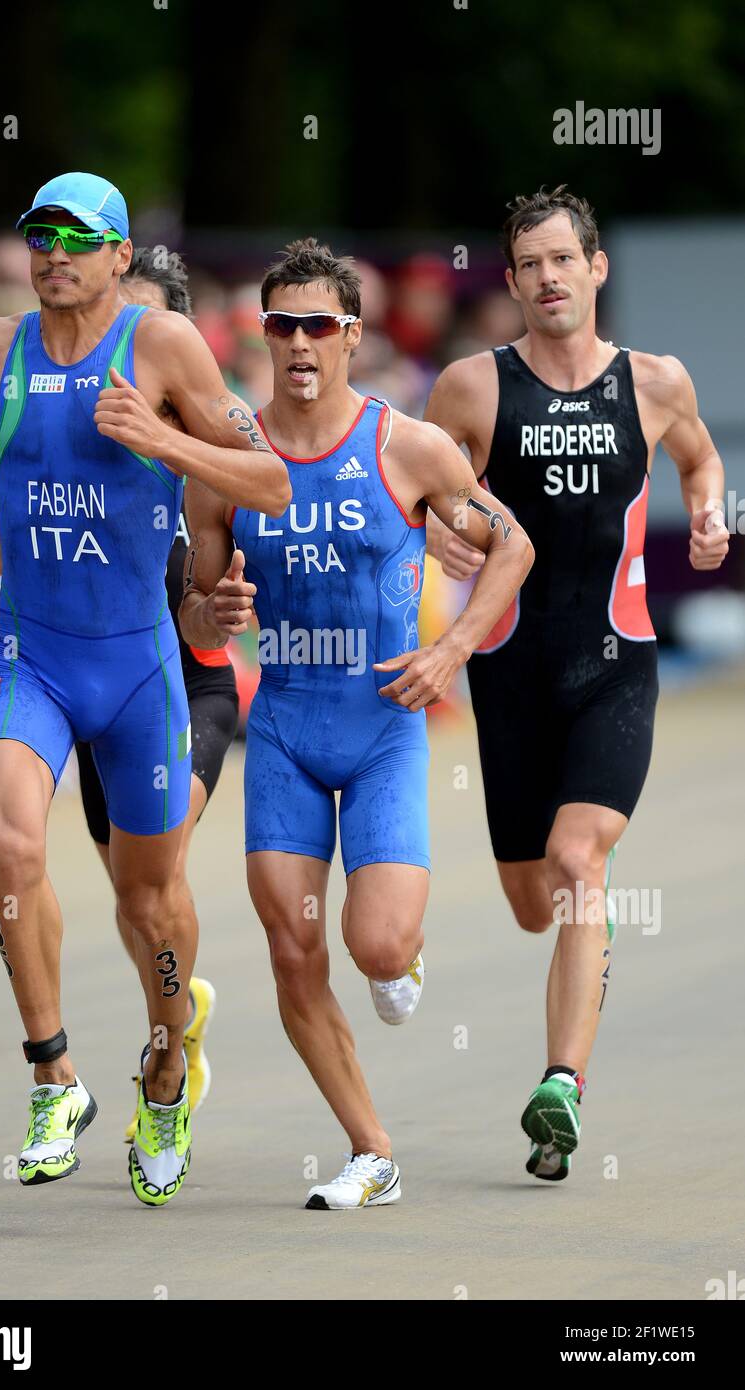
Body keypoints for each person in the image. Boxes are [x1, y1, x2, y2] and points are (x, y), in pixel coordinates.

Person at [0, 172, 289, 1207]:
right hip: (29, 654)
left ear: (121, 255)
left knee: (150, 901)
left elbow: (268, 478)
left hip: (139, 674)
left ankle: (166, 1064)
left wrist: (161, 439)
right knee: (10, 846)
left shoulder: (161, 349)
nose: (54, 251)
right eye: (40, 233)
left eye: (79, 237)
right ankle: (53, 1073)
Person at [180, 238, 532, 1209]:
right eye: (282, 324)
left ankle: (400, 949)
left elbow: (513, 546)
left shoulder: (406, 445)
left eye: (319, 325)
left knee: (373, 947)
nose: (299, 341)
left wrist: (453, 647)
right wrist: (211, 617)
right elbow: (195, 610)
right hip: (285, 730)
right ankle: (370, 1147)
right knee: (292, 948)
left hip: (381, 727)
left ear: (350, 337)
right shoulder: (225, 459)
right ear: (264, 333)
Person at [425, 185, 729, 1180]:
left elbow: (696, 457)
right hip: (509, 676)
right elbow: (425, 499)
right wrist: (442, 533)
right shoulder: (470, 389)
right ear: (509, 282)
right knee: (530, 900)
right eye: (529, 265)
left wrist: (709, 508)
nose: (548, 278)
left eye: (564, 259)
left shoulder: (655, 380)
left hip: (615, 663)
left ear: (595, 268)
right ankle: (581, 964)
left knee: (576, 862)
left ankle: (561, 1085)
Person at [0, 248, 237, 1133]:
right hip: (64, 677)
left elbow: (211, 614)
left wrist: (218, 605)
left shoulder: (198, 452)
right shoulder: (52, 414)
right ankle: (136, 1033)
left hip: (184, 686)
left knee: (152, 893)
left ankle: (170, 1047)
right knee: (123, 899)